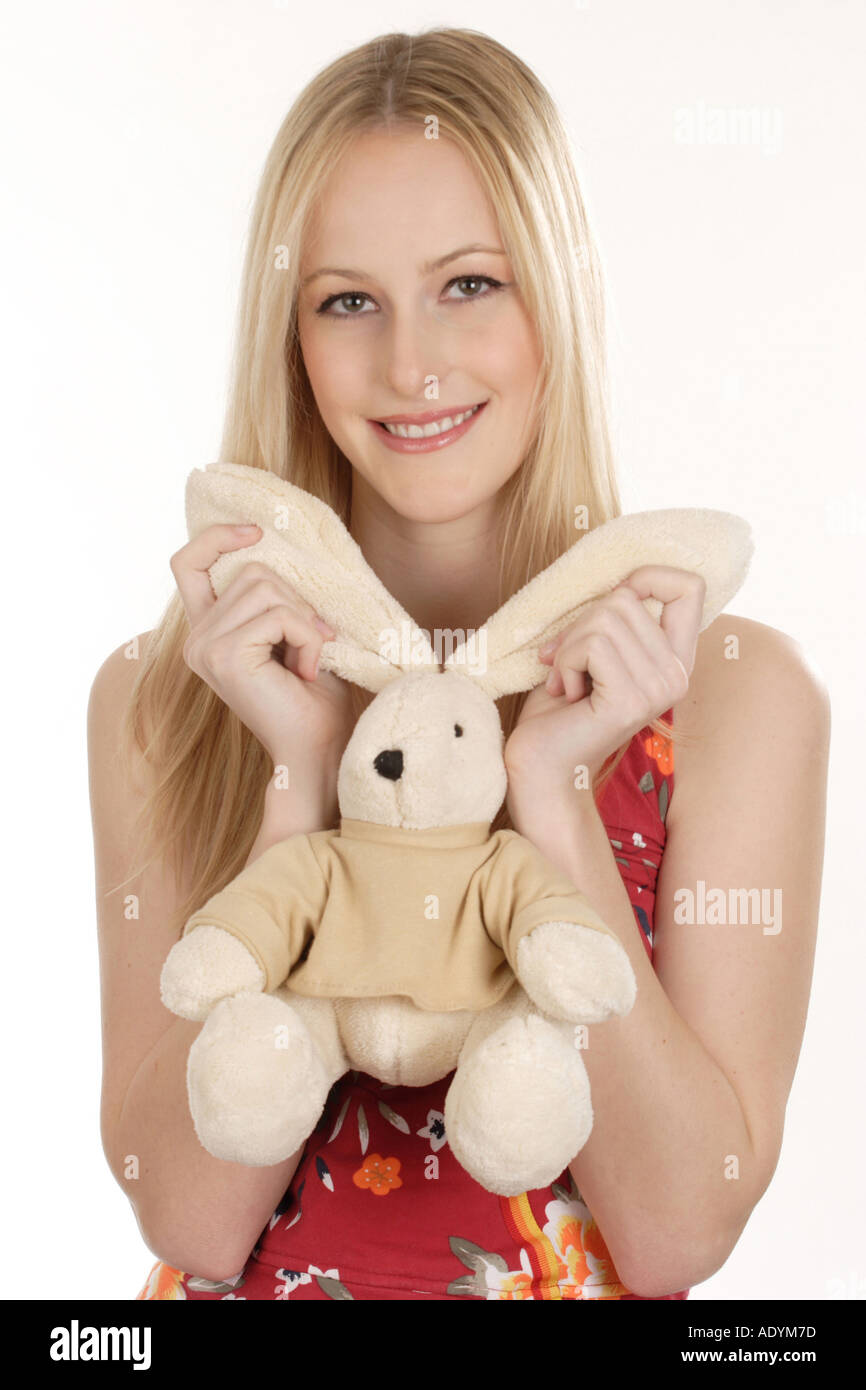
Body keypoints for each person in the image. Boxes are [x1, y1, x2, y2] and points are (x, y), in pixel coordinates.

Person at [88, 28, 830, 1301]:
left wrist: (551, 801)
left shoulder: (730, 689)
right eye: (347, 301)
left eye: (469, 284)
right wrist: (300, 777)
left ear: (558, 290)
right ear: (293, 336)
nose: (410, 364)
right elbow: (191, 1219)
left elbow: (676, 1234)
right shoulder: (172, 692)